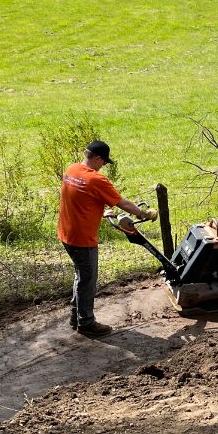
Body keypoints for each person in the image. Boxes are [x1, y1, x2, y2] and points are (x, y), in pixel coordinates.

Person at [58, 140, 156, 337]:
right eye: (103, 161)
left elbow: (80, 198)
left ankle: (75, 316)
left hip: (66, 233)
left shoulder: (71, 170)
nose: (104, 165)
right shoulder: (96, 180)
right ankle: (86, 323)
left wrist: (100, 210)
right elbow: (123, 203)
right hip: (82, 239)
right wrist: (142, 214)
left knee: (81, 276)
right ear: (96, 158)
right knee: (88, 280)